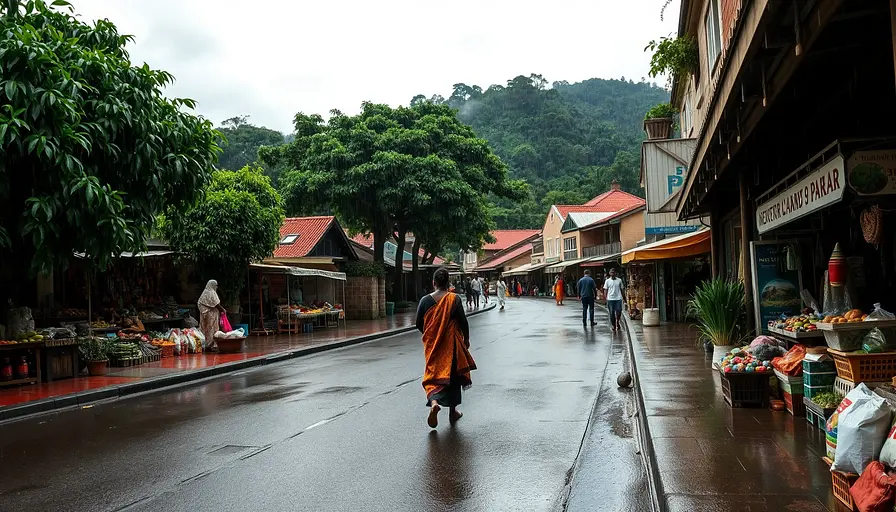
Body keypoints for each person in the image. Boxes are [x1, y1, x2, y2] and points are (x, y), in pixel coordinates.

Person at [416, 267, 477, 429]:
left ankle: (435, 402)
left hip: (433, 346)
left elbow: (418, 324)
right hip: (451, 346)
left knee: (432, 376)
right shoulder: (454, 299)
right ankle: (453, 412)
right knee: (453, 378)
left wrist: (432, 335)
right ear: (448, 283)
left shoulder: (424, 301)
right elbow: (463, 322)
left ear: (434, 283)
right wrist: (466, 339)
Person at [198, 280, 226, 350]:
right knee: (211, 329)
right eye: (216, 285)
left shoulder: (205, 292)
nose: (216, 287)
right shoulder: (211, 292)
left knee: (205, 329)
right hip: (210, 316)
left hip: (205, 315)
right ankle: (211, 345)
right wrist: (223, 310)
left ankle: (205, 344)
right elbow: (216, 304)